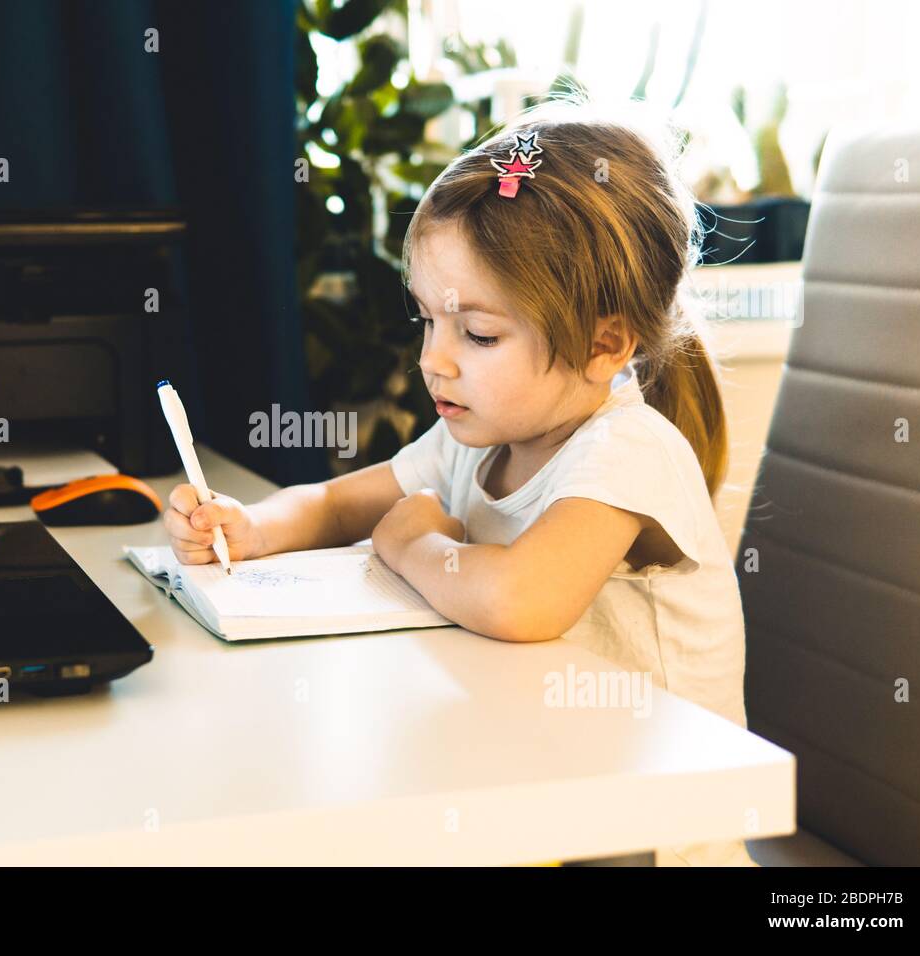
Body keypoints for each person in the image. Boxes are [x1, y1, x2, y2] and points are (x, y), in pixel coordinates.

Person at [164, 98, 757, 866]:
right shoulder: (480, 436)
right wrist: (252, 525)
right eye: (427, 321)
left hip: (648, 837)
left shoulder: (625, 451)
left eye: (478, 334)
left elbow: (521, 599)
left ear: (605, 343)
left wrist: (415, 545)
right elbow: (341, 501)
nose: (434, 360)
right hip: (541, 785)